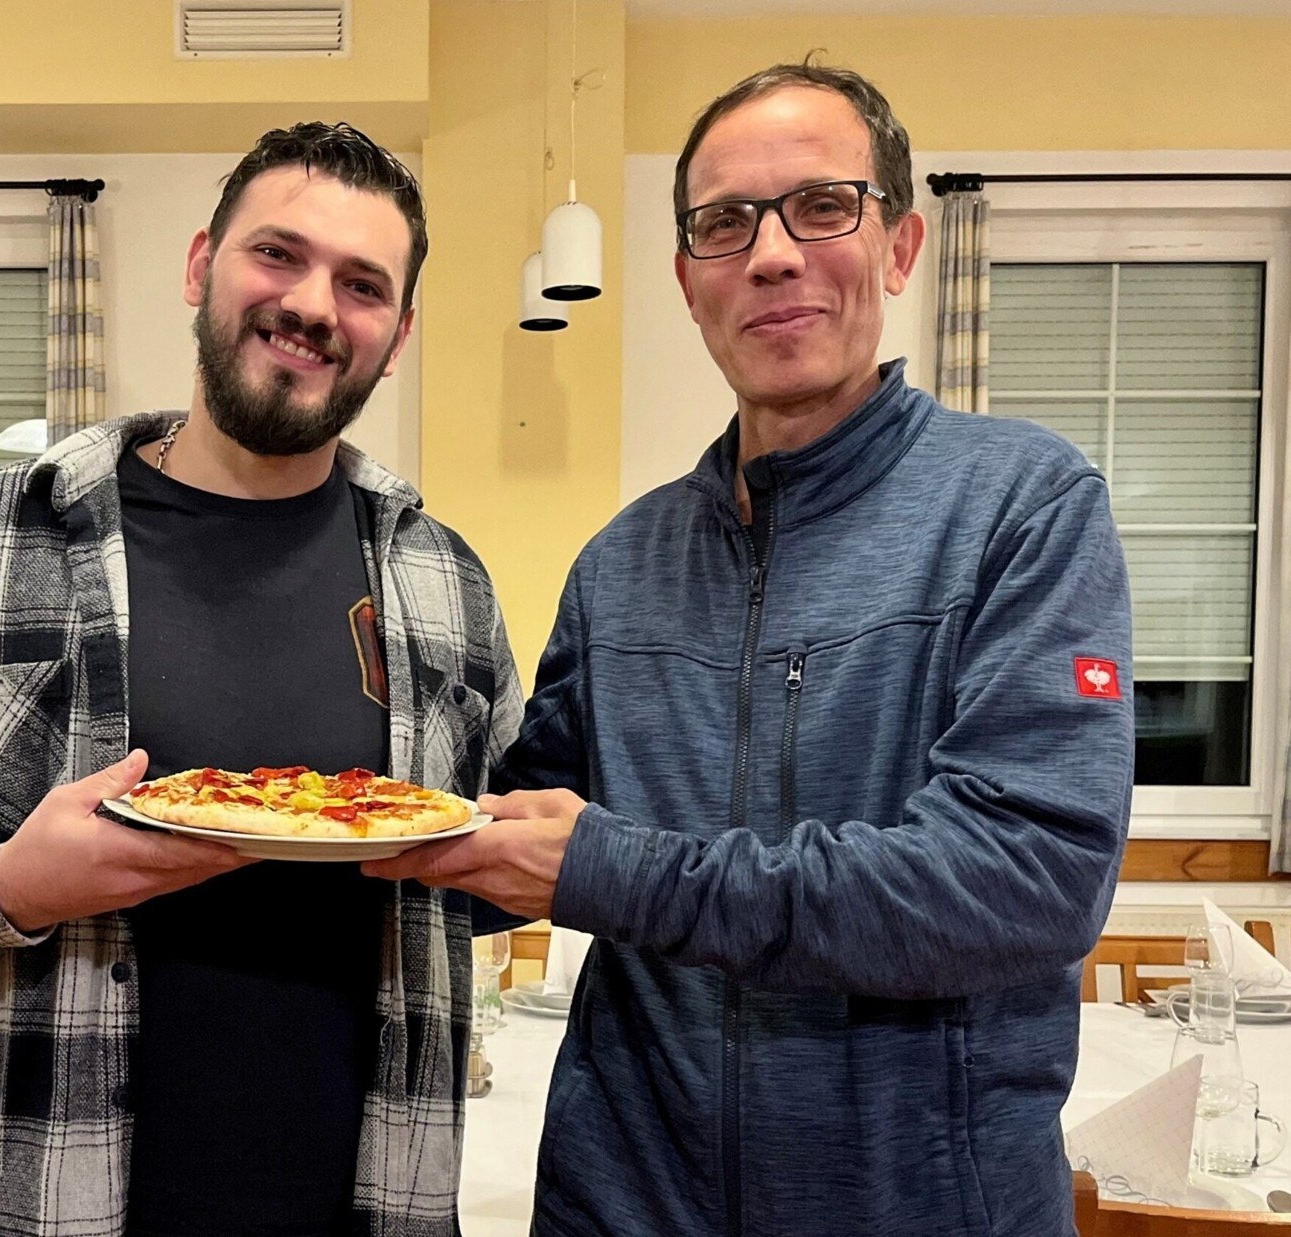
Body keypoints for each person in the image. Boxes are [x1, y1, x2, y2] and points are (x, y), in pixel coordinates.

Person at [367, 62, 1135, 1234]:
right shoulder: (621, 564)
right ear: (687, 281)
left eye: (822, 205)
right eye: (725, 224)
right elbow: (512, 838)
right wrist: (295, 819)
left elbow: (1022, 881)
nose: (771, 253)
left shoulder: (1022, 507)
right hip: (620, 1204)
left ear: (901, 244)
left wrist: (616, 871)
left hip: (923, 1210)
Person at [0, 122, 523, 1237]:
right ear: (198, 265)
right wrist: (11, 886)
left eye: (362, 283)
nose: (315, 303)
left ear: (398, 333)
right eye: (278, 254)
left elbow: (487, 862)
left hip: (370, 1208)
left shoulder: (443, 579)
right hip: (51, 1205)